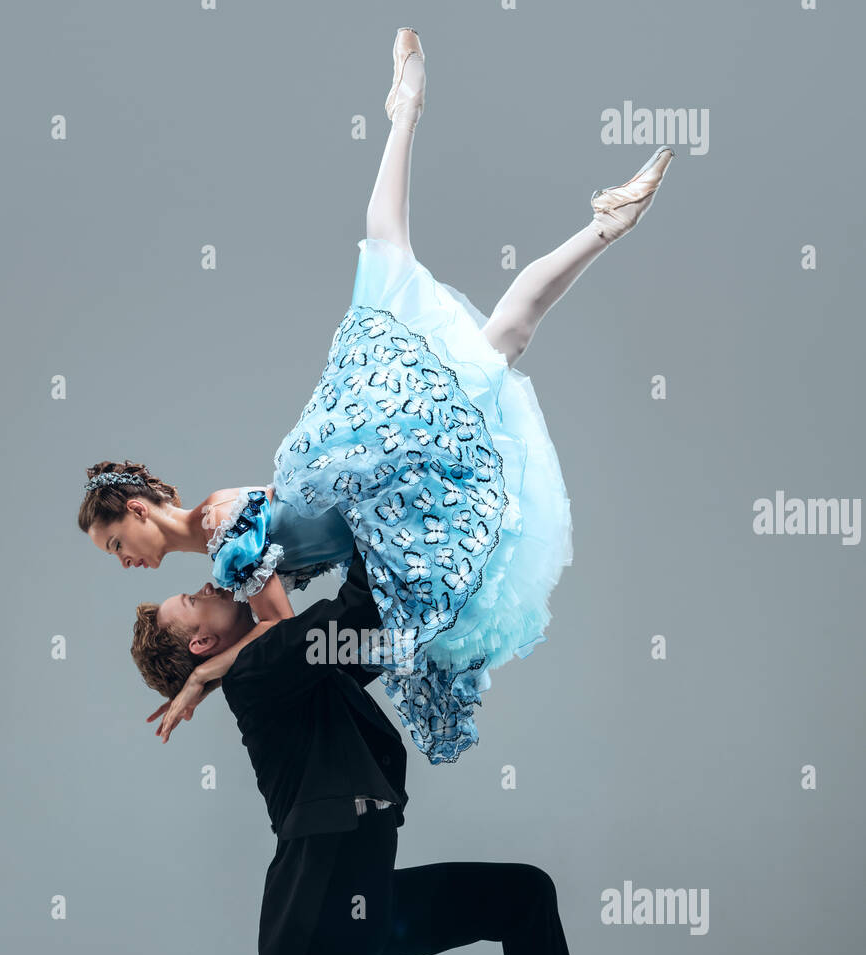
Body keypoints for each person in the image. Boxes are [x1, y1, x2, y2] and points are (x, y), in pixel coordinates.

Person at [77, 27, 674, 764]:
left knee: (449, 308)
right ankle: (532, 185)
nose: (123, 560)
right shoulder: (219, 540)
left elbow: (282, 636)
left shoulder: (227, 542)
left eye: (114, 543)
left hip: (372, 453)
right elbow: (283, 629)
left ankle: (440, 133)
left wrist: (203, 676)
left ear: (138, 510)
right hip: (371, 467)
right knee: (453, 308)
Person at [84, 546, 637, 955]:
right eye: (193, 603)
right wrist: (375, 510)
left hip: (365, 898)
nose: (205, 588)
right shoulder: (262, 666)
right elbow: (359, 612)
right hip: (319, 901)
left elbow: (370, 639)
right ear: (201, 645)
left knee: (524, 896)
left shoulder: (280, 662)